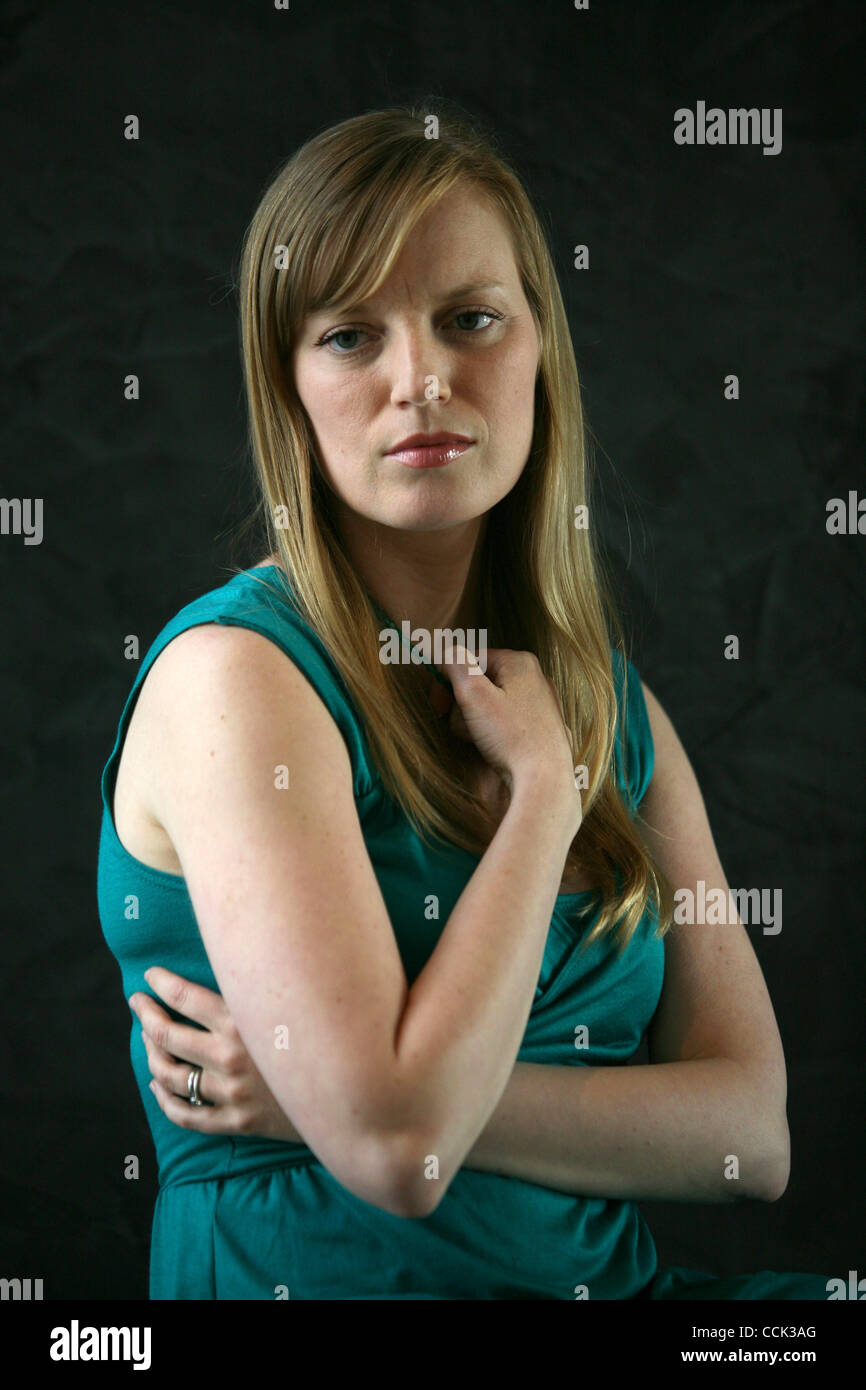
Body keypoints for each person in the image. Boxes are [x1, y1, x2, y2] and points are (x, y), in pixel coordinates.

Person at [97, 103, 831, 1300]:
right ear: (285, 385)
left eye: (468, 319)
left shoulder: (611, 707)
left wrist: (310, 1100)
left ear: (540, 345)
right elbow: (396, 1153)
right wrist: (543, 794)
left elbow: (753, 1137)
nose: (421, 378)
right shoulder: (237, 678)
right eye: (348, 337)